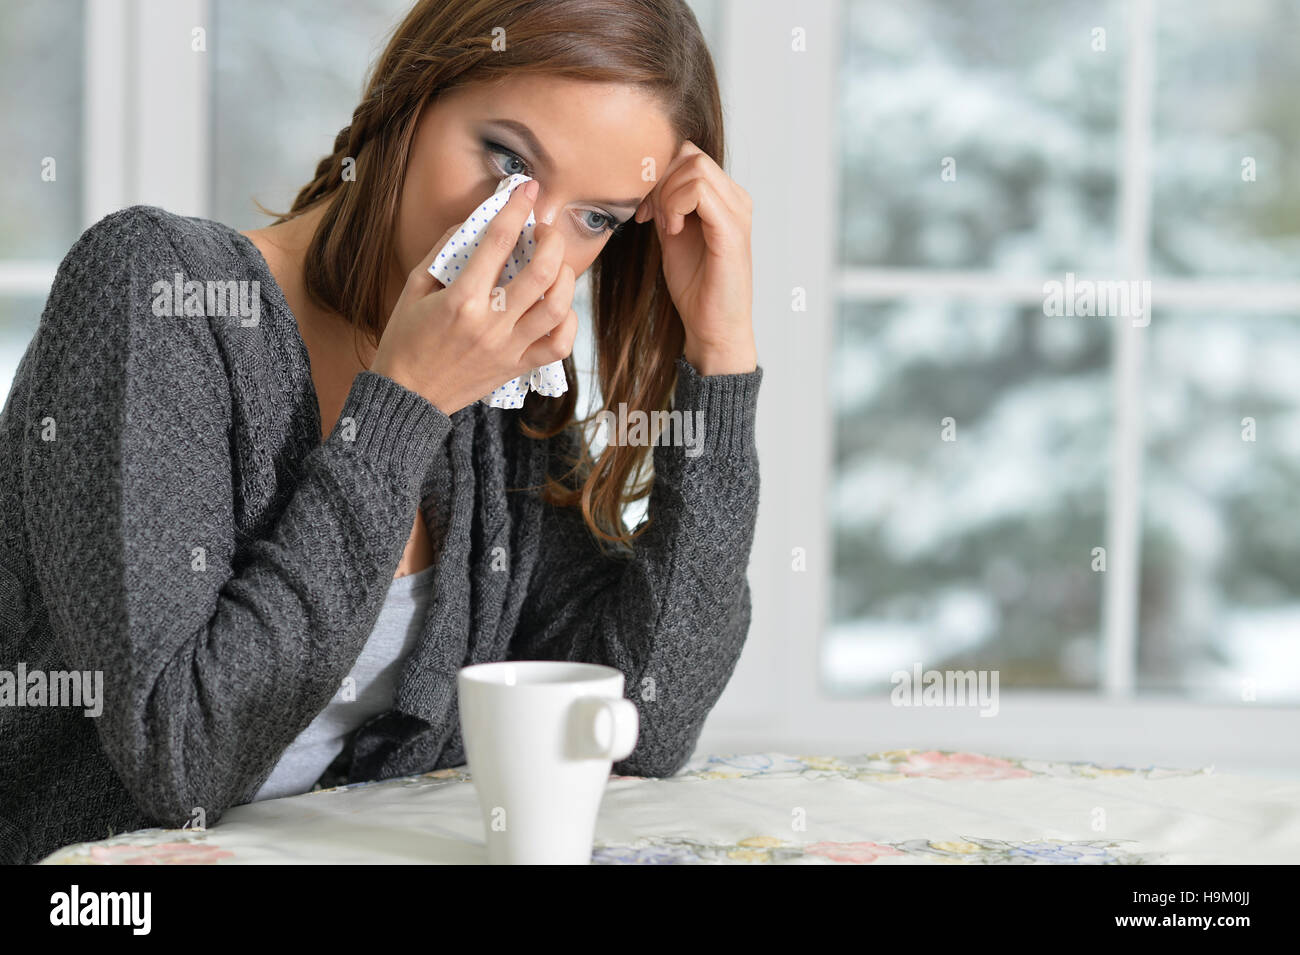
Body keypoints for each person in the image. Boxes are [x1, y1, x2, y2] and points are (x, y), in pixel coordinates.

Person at [0, 0, 761, 865]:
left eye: (595, 217)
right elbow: (185, 759)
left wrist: (720, 359)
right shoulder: (158, 294)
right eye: (507, 160)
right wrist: (405, 405)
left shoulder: (499, 394)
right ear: (408, 102)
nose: (526, 245)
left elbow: (636, 727)